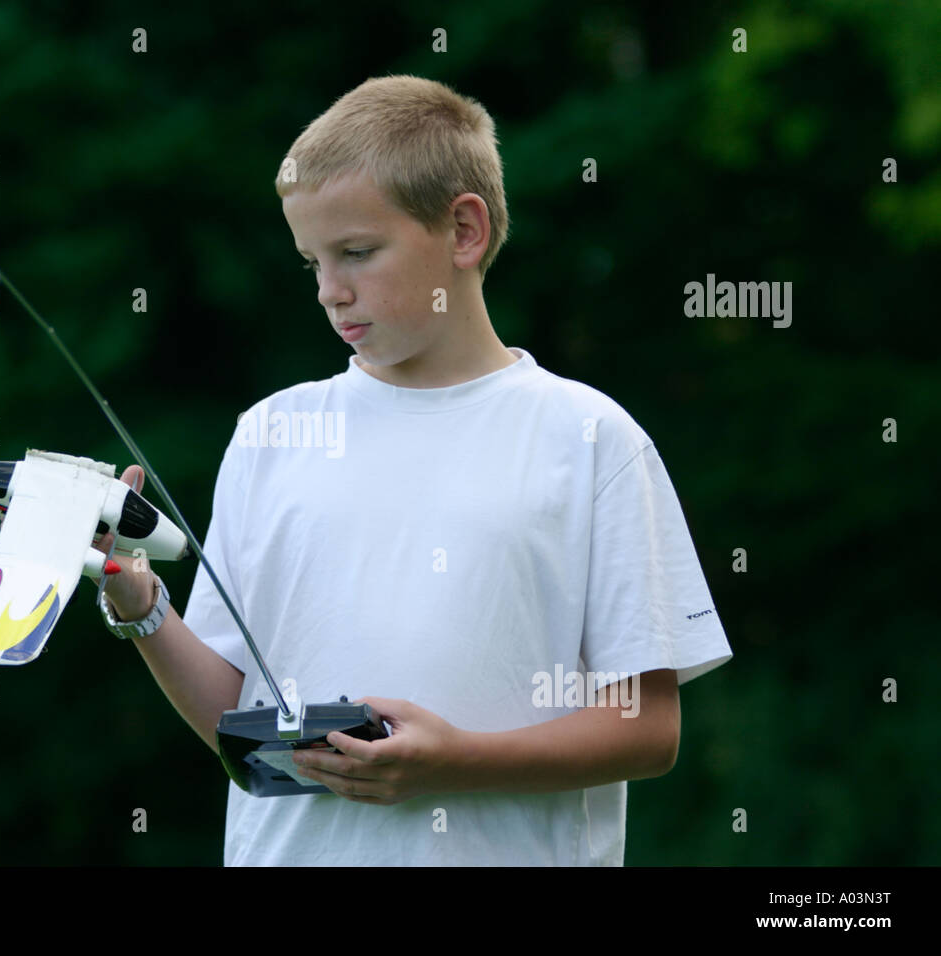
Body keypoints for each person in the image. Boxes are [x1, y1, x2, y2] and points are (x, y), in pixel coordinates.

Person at [94, 74, 732, 865]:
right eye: (311, 263)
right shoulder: (272, 433)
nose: (331, 291)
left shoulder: (592, 439)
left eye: (357, 252)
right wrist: (141, 602)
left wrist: (452, 762)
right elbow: (238, 718)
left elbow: (649, 729)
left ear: (464, 230)